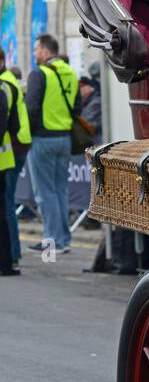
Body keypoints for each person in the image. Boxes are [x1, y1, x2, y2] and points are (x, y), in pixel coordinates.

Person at [25, 34, 78, 255]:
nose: (35, 53)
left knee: (45, 193)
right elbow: (77, 108)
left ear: (46, 51)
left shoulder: (39, 74)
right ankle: (63, 240)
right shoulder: (72, 74)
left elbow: (32, 108)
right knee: (60, 190)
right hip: (64, 138)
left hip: (43, 139)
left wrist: (29, 133)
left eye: (37, 49)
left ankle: (51, 241)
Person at [0, 52, 29, 266]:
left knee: (7, 206)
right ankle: (11, 255)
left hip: (8, 153)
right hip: (13, 149)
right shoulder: (9, 84)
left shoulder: (4, 86)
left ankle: (11, 255)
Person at [0, 61, 21, 275]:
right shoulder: (5, 89)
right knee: (4, 212)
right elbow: (14, 125)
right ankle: (7, 262)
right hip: (4, 159)